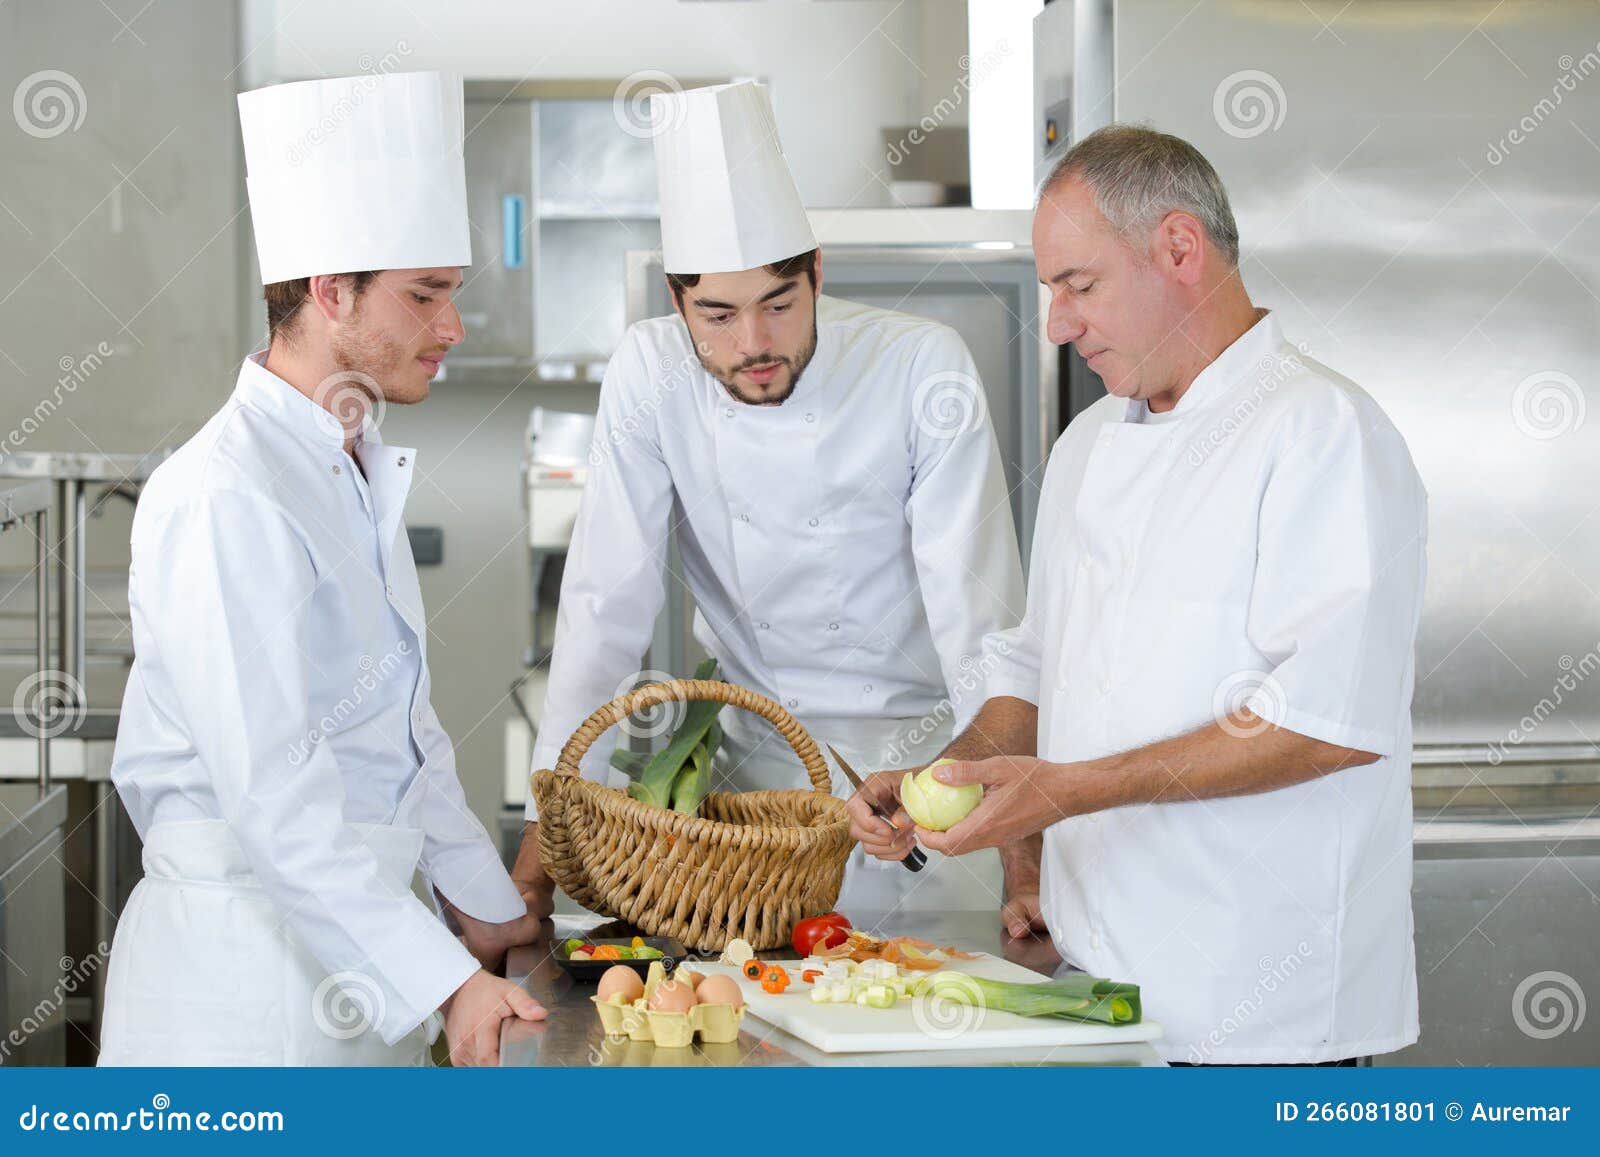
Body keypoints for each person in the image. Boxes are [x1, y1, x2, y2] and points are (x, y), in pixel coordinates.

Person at [849, 124, 1429, 1065]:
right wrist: (947, 777)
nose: (1056, 323)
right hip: (1093, 984)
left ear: (1179, 248)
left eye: (1079, 285)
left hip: (1258, 1015)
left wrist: (1065, 791)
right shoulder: (1086, 445)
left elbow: (1327, 722)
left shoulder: (1323, 431)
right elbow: (1034, 671)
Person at [100, 72, 543, 1067]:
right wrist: (446, 981)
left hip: (359, 962)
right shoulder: (224, 491)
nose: (451, 327)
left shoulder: (350, 461)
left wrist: (486, 904)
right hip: (242, 997)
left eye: (452, 293)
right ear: (331, 290)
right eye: (424, 295)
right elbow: (274, 795)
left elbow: (405, 732)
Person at [512, 82, 1024, 918]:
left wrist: (1023, 862)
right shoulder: (650, 372)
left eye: (779, 304)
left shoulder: (921, 367)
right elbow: (602, 615)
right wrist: (534, 876)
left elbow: (986, 631)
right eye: (717, 314)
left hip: (927, 787)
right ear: (677, 302)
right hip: (754, 820)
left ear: (818, 273)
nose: (753, 343)